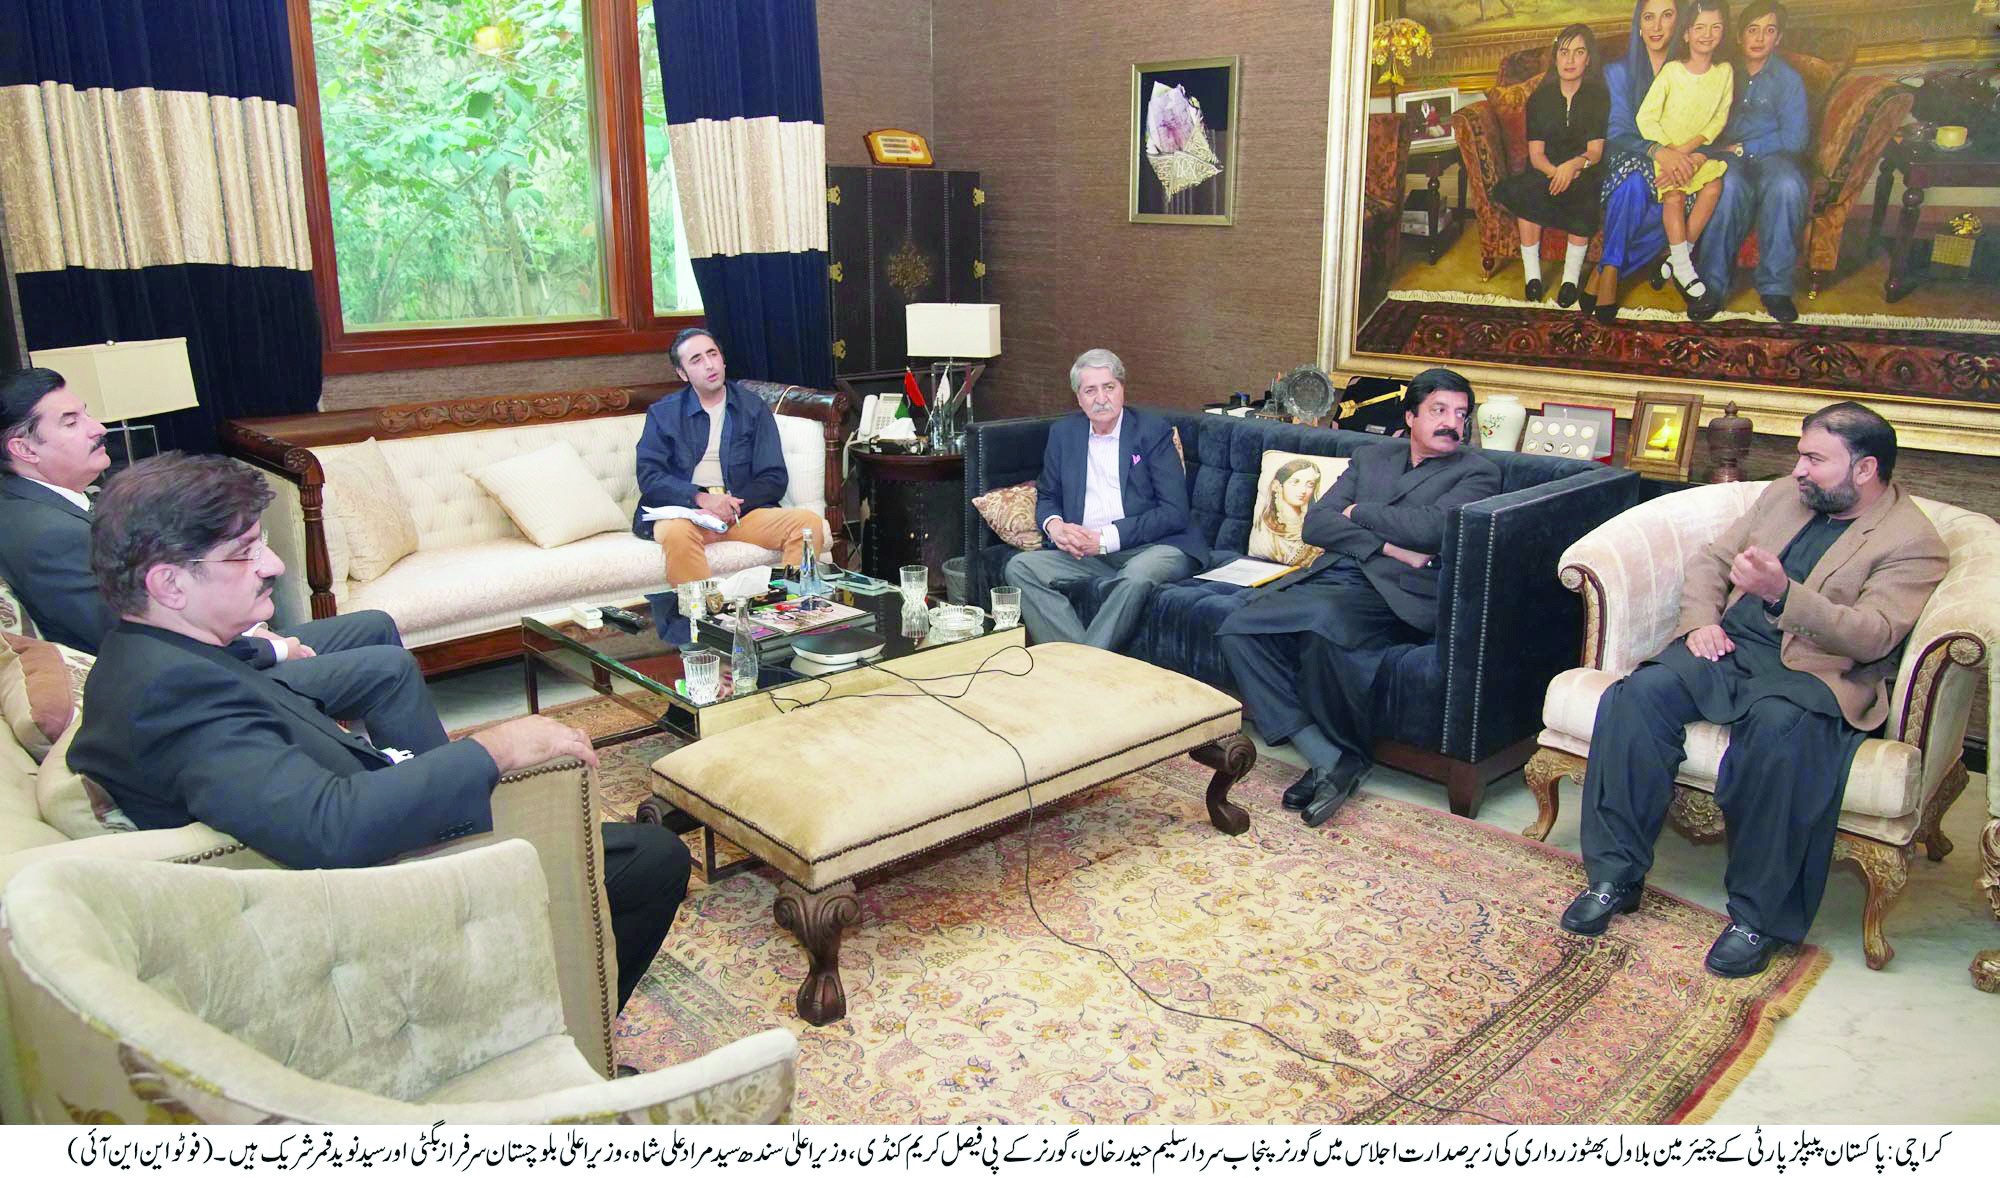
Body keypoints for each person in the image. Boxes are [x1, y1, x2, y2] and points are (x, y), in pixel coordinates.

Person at [67, 453, 690, 1010]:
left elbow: (245, 694)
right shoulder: (174, 696)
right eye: (246, 551)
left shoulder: (151, 653)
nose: (274, 564)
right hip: (365, 898)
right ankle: (568, 1035)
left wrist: (270, 652)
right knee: (652, 858)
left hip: (357, 832)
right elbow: (329, 828)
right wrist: (490, 748)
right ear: (169, 584)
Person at [1562, 402, 1946, 978]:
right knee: (1636, 698)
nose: (1799, 468)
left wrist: (1782, 593)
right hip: (1729, 647)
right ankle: (1615, 877)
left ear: (1864, 469)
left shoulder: (1912, 540)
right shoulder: (1782, 497)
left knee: (1779, 736)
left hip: (1816, 669)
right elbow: (1713, 560)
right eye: (1800, 453)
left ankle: (1758, 919)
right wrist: (1700, 621)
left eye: (1815, 458)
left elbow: (1873, 635)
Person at [0, 368, 416, 713]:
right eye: (71, 422)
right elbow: (141, 639)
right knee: (389, 666)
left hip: (215, 651)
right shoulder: (44, 534)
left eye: (86, 414)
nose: (98, 429)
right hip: (193, 685)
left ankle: (367, 758)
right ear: (24, 448)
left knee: (373, 625)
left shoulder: (55, 504)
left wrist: (257, 634)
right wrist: (269, 649)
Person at [1217, 368, 1502, 828]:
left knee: (1321, 629)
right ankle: (1329, 757)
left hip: (1400, 595)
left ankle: (1333, 762)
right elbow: (1317, 524)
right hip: (1342, 575)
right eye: (1440, 411)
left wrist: (1361, 512)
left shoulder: (1478, 472)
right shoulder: (1372, 456)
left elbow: (1433, 529)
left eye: (1461, 414)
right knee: (1236, 630)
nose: (1453, 422)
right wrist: (1388, 545)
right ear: (1411, 416)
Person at [1004, 349, 1207, 651]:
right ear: (1078, 397)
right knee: (1020, 568)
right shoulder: (1064, 434)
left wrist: (1103, 540)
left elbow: (1174, 512)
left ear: (1122, 389)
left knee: (1136, 577)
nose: (1101, 398)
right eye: (1090, 390)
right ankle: (1076, 660)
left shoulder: (1152, 432)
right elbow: (1047, 495)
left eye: (1109, 387)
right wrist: (1056, 527)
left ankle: (1085, 665)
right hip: (1085, 553)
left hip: (1157, 546)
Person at [633, 329, 827, 586]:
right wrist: (702, 499)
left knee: (807, 523)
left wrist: (729, 506)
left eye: (712, 354)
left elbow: (773, 477)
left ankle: (791, 608)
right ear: (683, 374)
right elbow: (650, 477)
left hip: (739, 512)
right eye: (696, 360)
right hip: (685, 514)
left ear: (723, 359)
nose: (709, 364)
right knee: (676, 533)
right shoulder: (663, 413)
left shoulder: (753, 407)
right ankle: (701, 619)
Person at [1696, 0, 1811, 324]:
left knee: (1788, 186)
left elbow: (1796, 138)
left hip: (1774, 155)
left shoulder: (1789, 80)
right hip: (1725, 156)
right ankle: (1712, 286)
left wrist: (1747, 148)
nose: (1760, 38)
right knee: (1727, 186)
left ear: (1779, 38)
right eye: (1752, 30)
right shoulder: (1720, 71)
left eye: (1769, 30)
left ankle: (1775, 288)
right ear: (1738, 36)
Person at [1583, 0, 1697, 323]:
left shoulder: (1690, 71)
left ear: (1679, 22)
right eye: (1649, 17)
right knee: (1631, 184)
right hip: (1629, 157)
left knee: (1676, 208)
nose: (1657, 27)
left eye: (1667, 16)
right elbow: (1619, 129)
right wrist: (1660, 152)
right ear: (1639, 23)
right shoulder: (1617, 72)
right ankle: (1612, 271)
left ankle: (1607, 270)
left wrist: (1678, 157)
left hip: (1672, 165)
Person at [1490, 24, 1609, 305]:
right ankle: (1533, 277)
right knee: (1525, 191)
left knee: (1585, 195)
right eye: (1564, 52)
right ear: (1555, 57)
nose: (1570, 60)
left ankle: (1569, 280)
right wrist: (1556, 173)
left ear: (1588, 58)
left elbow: (1595, 151)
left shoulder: (1598, 97)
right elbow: (1536, 155)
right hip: (1546, 170)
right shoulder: (1539, 99)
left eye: (1578, 52)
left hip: (1584, 172)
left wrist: (1572, 167)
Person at [1636, 0, 1735, 309]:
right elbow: (1645, 118)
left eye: (1715, 27)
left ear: (1724, 32)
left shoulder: (1724, 72)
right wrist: (1670, 153)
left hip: (1694, 152)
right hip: (1665, 153)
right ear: (1687, 34)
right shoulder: (1672, 71)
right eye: (1699, 28)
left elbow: (1719, 118)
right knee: (1675, 197)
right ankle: (1685, 269)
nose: (1707, 34)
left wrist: (1688, 151)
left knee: (1714, 186)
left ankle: (1675, 260)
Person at [1254, 458, 1325, 567]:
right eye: (1295, 482)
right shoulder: (1264, 528)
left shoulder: (1317, 526)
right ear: (1277, 486)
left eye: (1310, 484)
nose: (1303, 490)